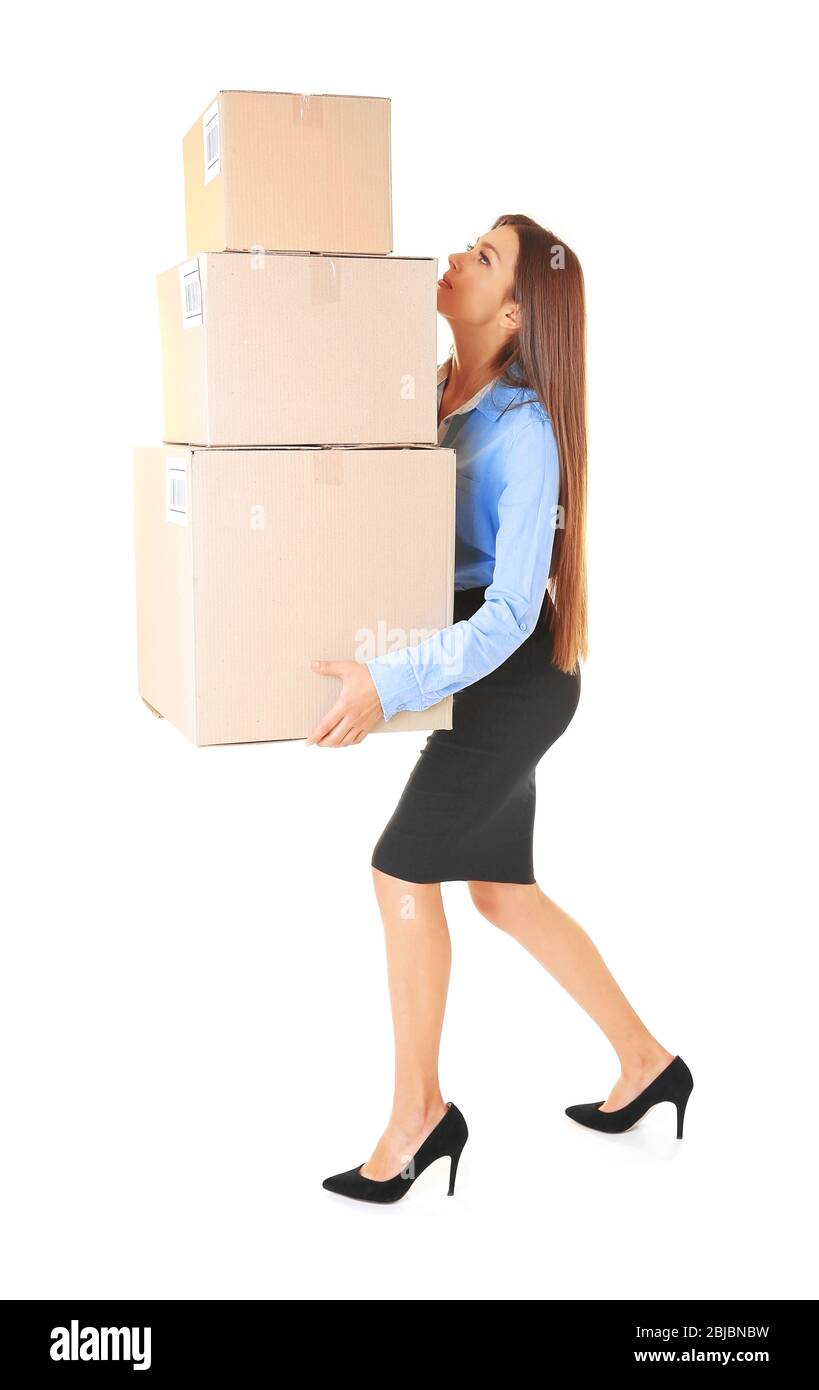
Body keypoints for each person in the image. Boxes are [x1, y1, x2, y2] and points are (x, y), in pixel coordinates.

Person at [307, 215, 693, 1204]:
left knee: (400, 869)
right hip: (472, 660)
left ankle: (420, 1115)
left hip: (515, 673)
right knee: (500, 892)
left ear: (517, 309)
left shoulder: (525, 436)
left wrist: (387, 682)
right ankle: (648, 1061)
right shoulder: (433, 388)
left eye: (480, 259)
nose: (453, 260)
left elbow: (513, 616)